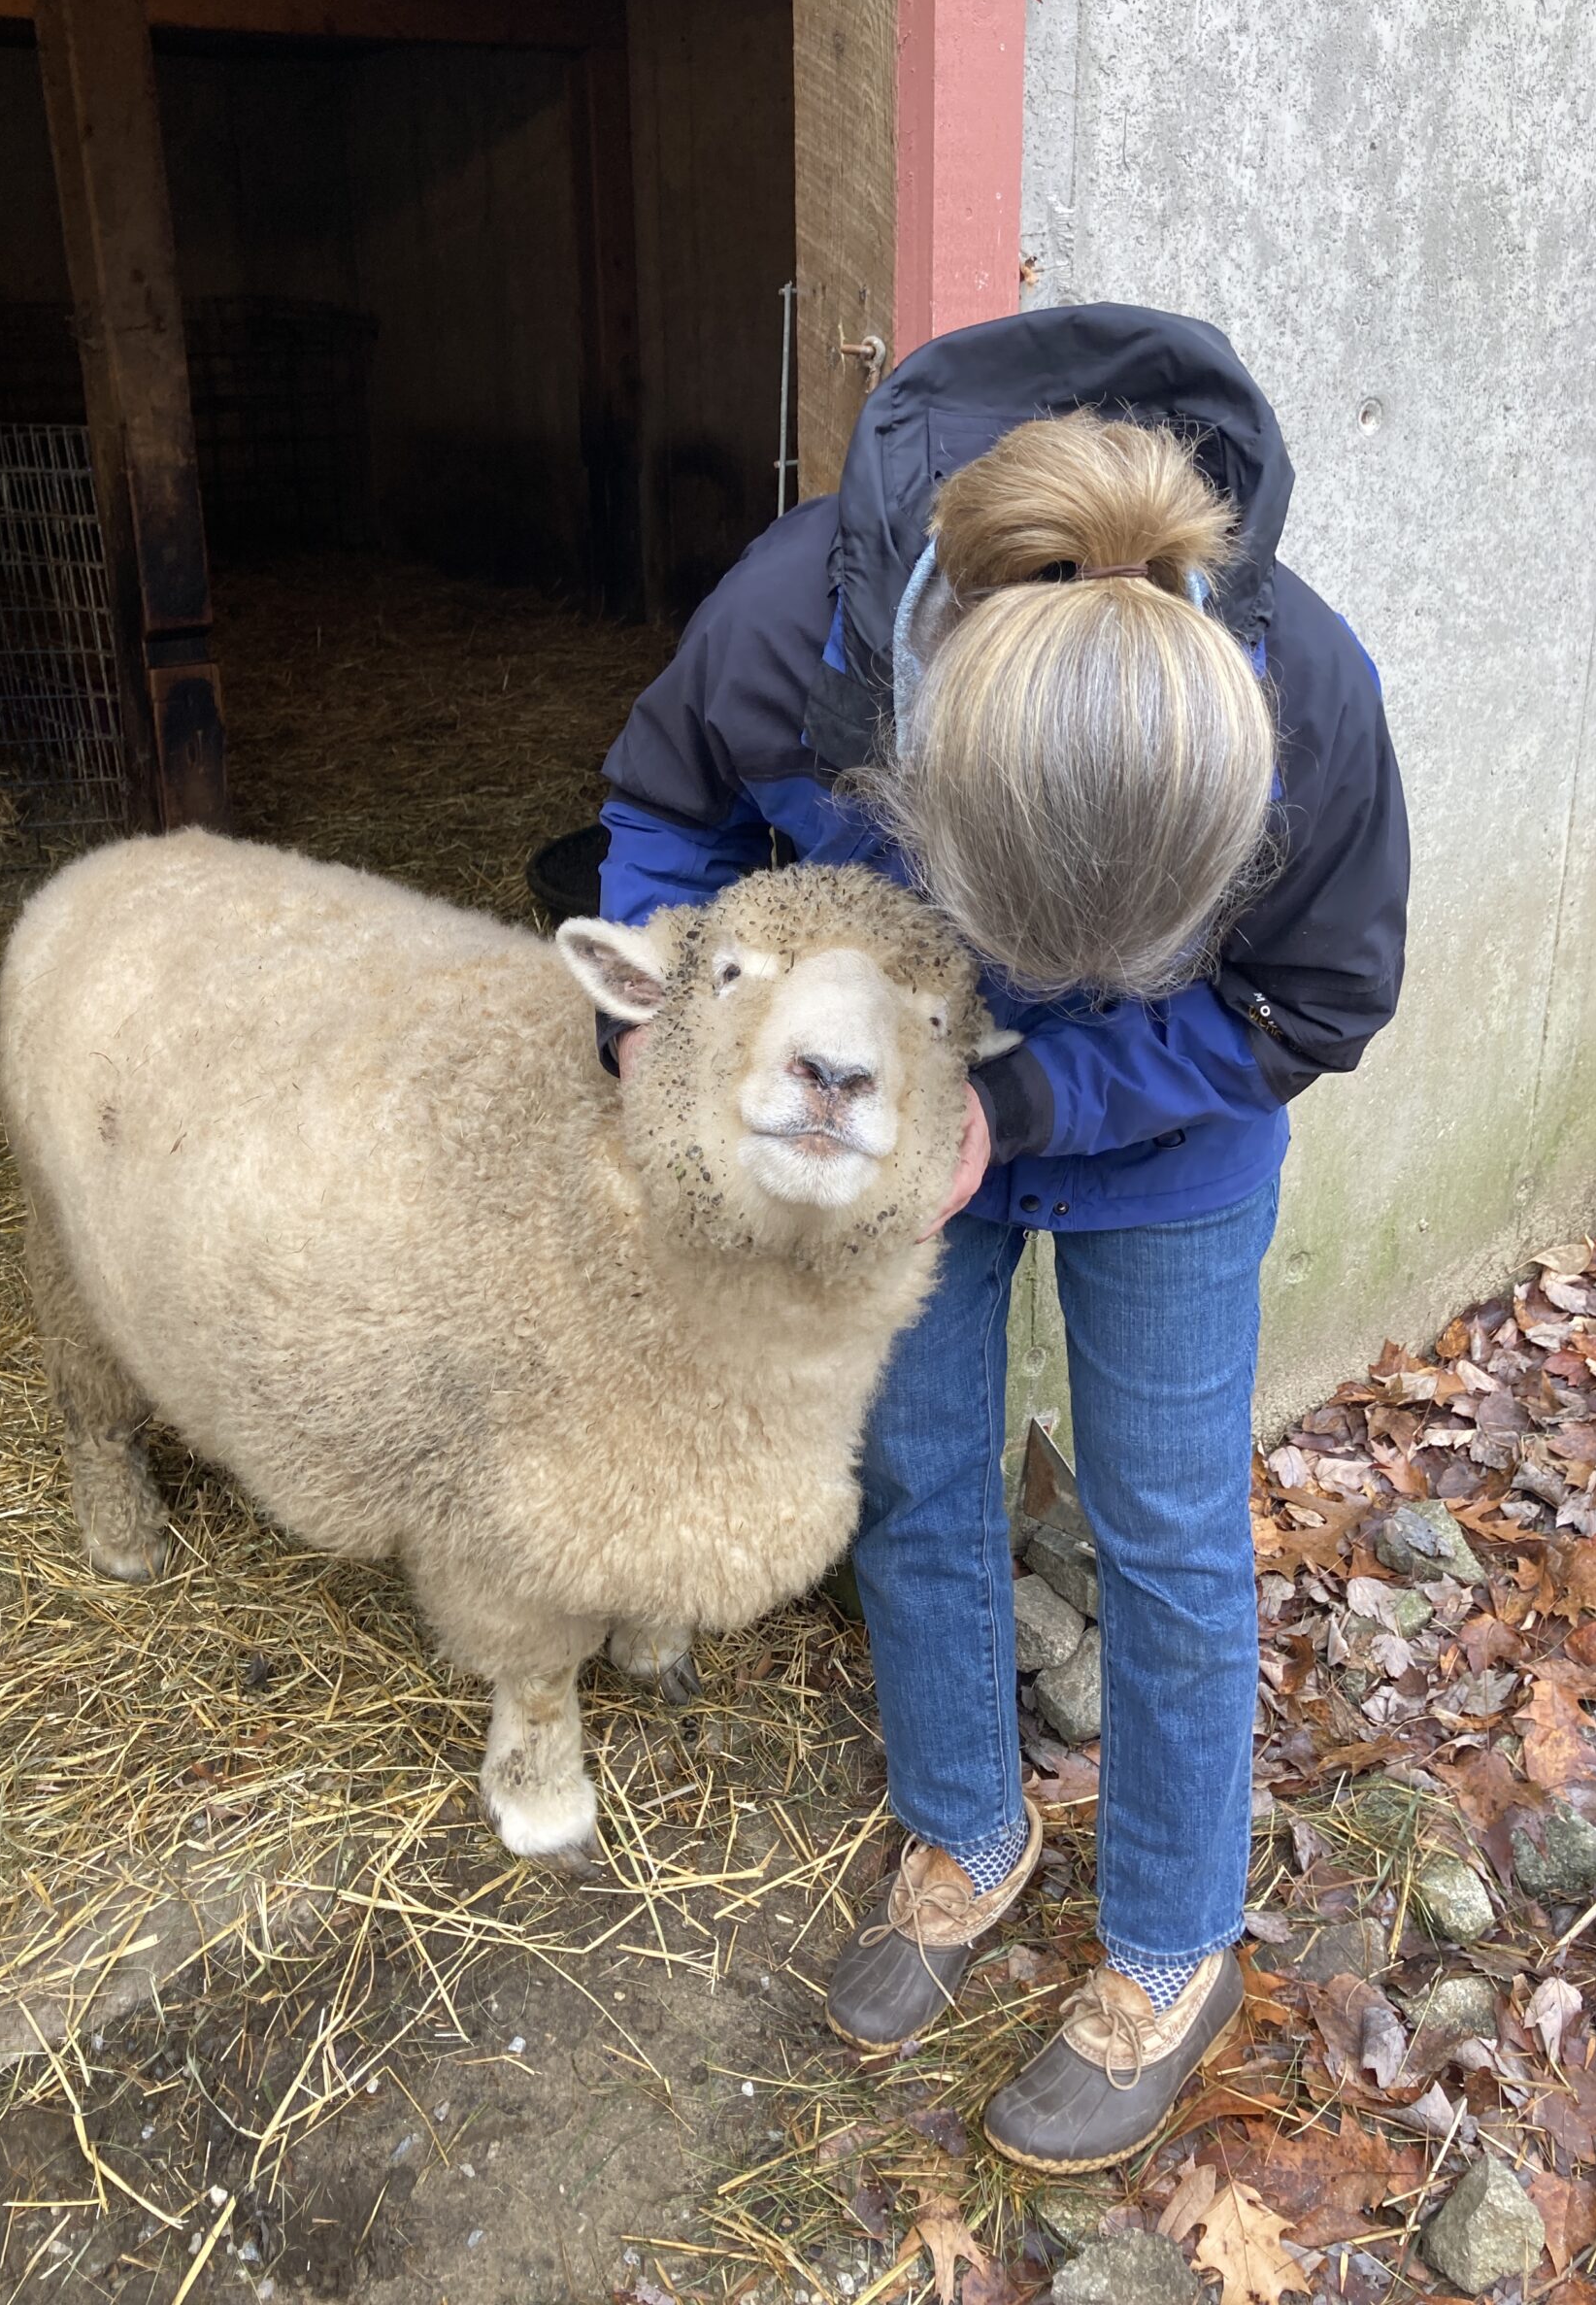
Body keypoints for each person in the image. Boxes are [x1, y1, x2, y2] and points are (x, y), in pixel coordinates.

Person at [596, 304, 1408, 2169]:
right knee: (918, 1466)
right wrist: (662, 1015)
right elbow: (658, 812)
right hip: (891, 1116)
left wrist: (1029, 1104)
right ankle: (968, 1824)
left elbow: (1312, 1001)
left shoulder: (1308, 695)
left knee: (1170, 1522)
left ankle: (1171, 1935)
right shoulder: (790, 623)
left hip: (1170, 1134)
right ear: (921, 751)